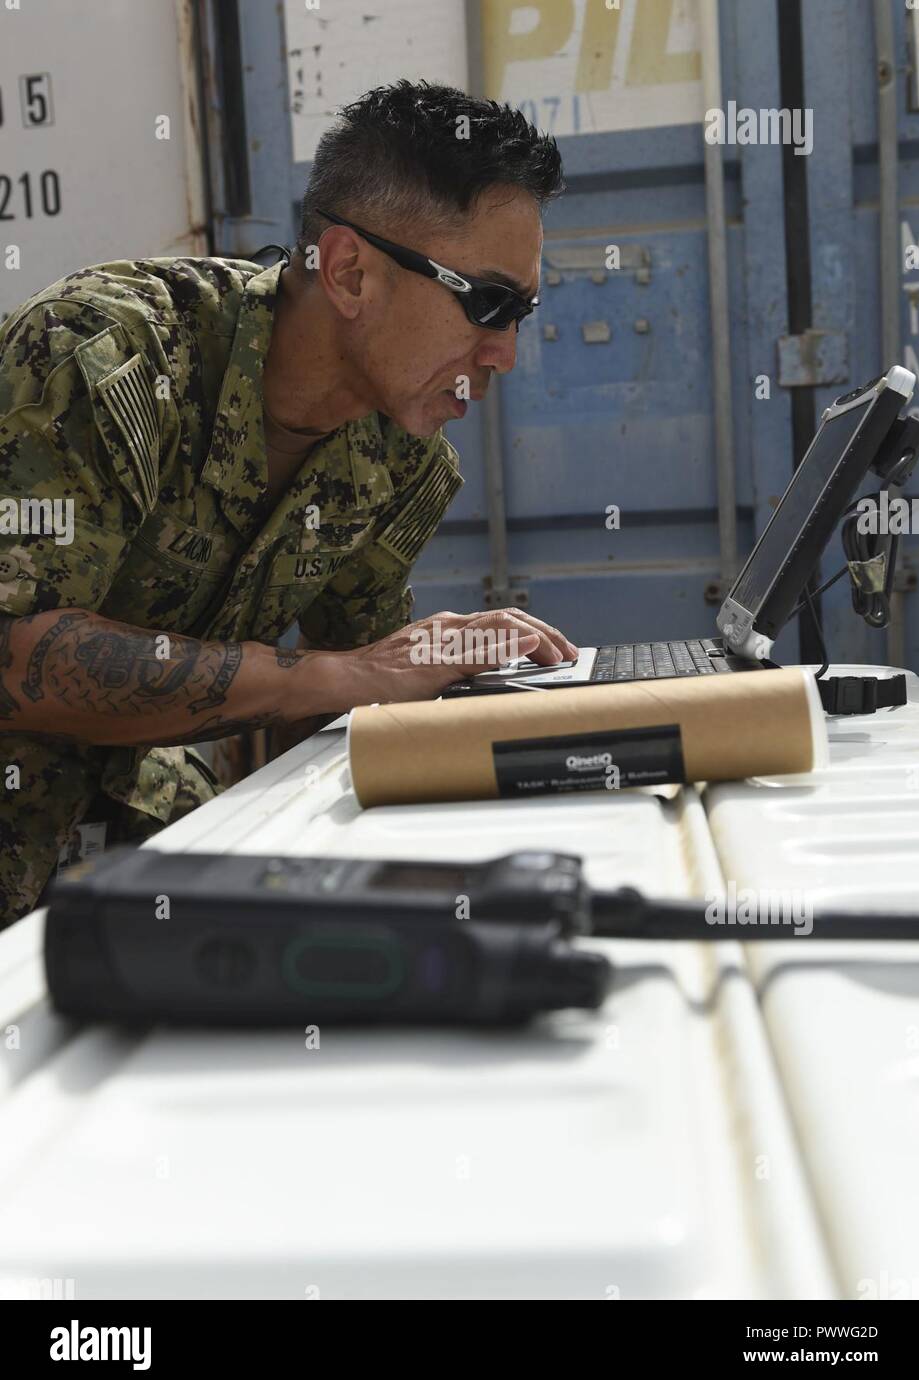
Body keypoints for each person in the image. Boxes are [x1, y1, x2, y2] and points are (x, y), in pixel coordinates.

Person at [0, 79, 577, 928]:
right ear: (348, 272)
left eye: (521, 312)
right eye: (486, 304)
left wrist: (508, 700)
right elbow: (17, 659)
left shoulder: (398, 457)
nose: (504, 354)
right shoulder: (105, 355)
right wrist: (342, 674)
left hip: (132, 821)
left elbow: (363, 687)